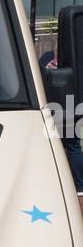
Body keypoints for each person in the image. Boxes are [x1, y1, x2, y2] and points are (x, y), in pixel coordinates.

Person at [41, 48, 83, 191]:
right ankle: (79, 185)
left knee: (52, 145)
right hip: (74, 104)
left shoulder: (47, 56)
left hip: (53, 106)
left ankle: (57, 183)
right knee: (73, 146)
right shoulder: (76, 59)